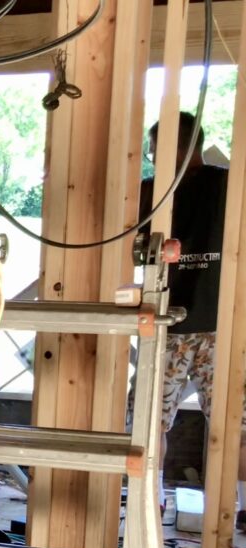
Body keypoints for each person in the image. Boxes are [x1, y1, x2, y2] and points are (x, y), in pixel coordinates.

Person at [139, 113, 243, 491]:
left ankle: (227, 511)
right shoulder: (226, 185)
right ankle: (152, 505)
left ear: (177, 149)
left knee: (152, 422)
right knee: (152, 421)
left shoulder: (227, 187)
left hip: (191, 330)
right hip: (201, 328)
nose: (152, 159)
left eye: (154, 152)